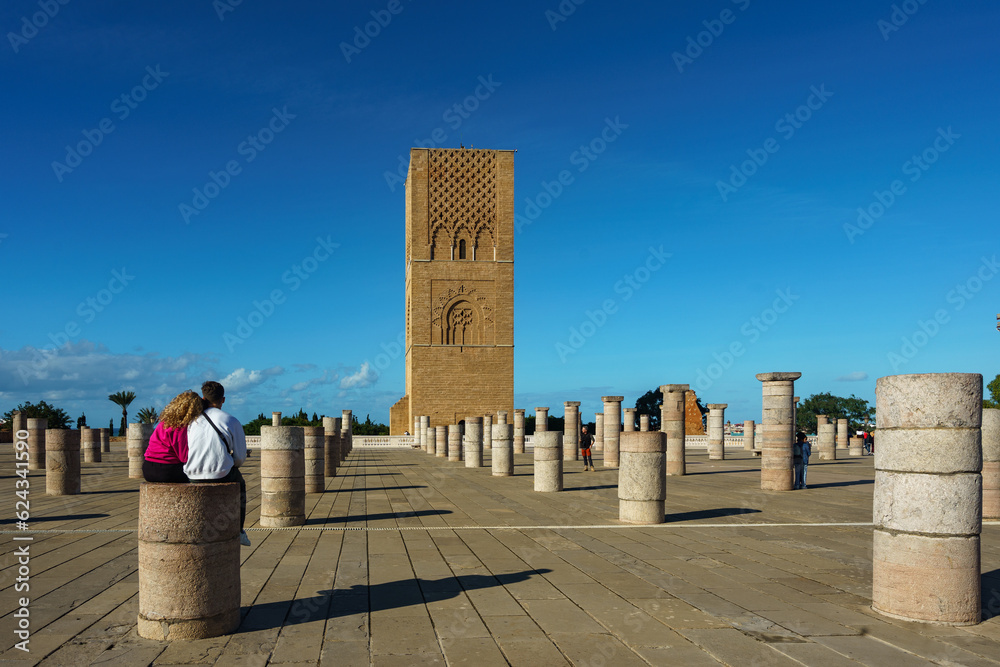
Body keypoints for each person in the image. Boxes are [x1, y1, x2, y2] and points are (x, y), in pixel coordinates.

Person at [188, 381, 250, 546]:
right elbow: (239, 457)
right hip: (221, 473)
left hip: (192, 473)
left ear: (203, 398)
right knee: (241, 486)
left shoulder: (192, 421)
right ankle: (239, 530)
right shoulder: (231, 420)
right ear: (223, 399)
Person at [143, 391, 202, 483]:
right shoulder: (179, 428)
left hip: (148, 468)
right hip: (166, 470)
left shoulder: (164, 422)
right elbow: (184, 457)